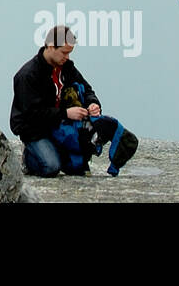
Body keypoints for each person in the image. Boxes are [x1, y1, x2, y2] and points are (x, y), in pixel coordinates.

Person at [10, 25, 138, 176]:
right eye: (64, 52)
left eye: (69, 53)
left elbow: (87, 88)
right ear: (51, 46)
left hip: (60, 125)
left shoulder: (66, 67)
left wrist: (93, 104)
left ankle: (59, 151)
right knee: (52, 167)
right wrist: (65, 113)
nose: (67, 57)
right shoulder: (27, 75)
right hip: (35, 131)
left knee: (76, 167)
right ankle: (30, 157)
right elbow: (32, 115)